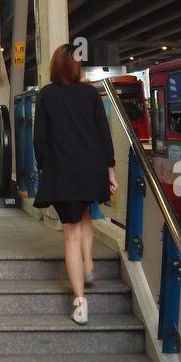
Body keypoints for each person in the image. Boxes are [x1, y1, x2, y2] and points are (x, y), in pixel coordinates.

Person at [33, 45, 117, 325]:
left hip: (62, 172)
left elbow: (39, 140)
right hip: (91, 170)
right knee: (85, 216)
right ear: (75, 67)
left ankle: (80, 301)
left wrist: (47, 169)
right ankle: (89, 264)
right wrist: (110, 170)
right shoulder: (91, 94)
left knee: (70, 233)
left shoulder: (46, 96)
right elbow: (103, 134)